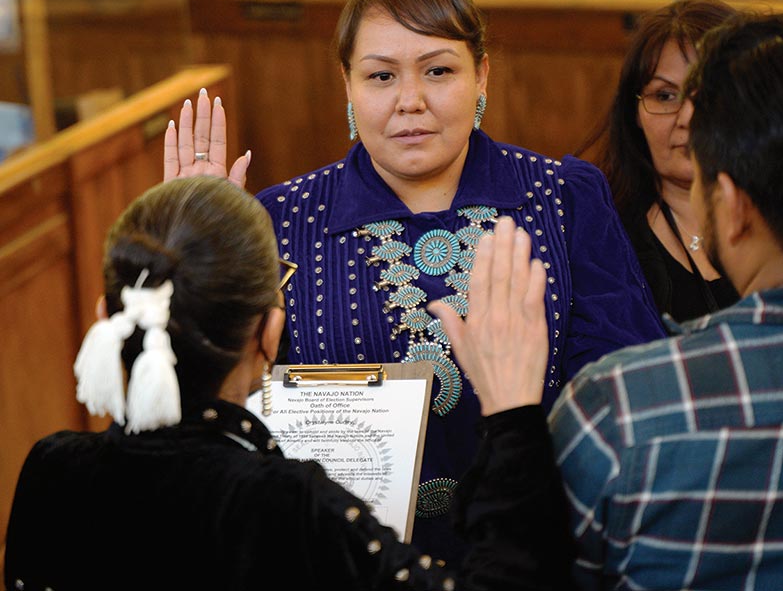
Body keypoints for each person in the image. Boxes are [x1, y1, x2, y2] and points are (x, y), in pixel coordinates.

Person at [163, 0, 665, 561]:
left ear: (482, 74)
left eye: (438, 71)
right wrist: (203, 263)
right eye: (381, 76)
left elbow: (627, 389)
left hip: (542, 546)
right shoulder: (278, 220)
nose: (410, 102)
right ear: (347, 84)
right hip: (344, 560)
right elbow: (222, 407)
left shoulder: (564, 198)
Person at [4, 175, 576, 590]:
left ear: (106, 316)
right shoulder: (288, 505)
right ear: (270, 332)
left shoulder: (53, 470)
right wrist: (512, 416)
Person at [550, 12, 783, 589]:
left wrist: (508, 418)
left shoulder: (619, 412)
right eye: (663, 95)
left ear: (732, 207)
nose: (682, 123)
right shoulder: (604, 232)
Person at [577, 0, 740, 324]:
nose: (688, 118)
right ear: (634, 112)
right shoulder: (604, 235)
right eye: (665, 96)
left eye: (709, 94)